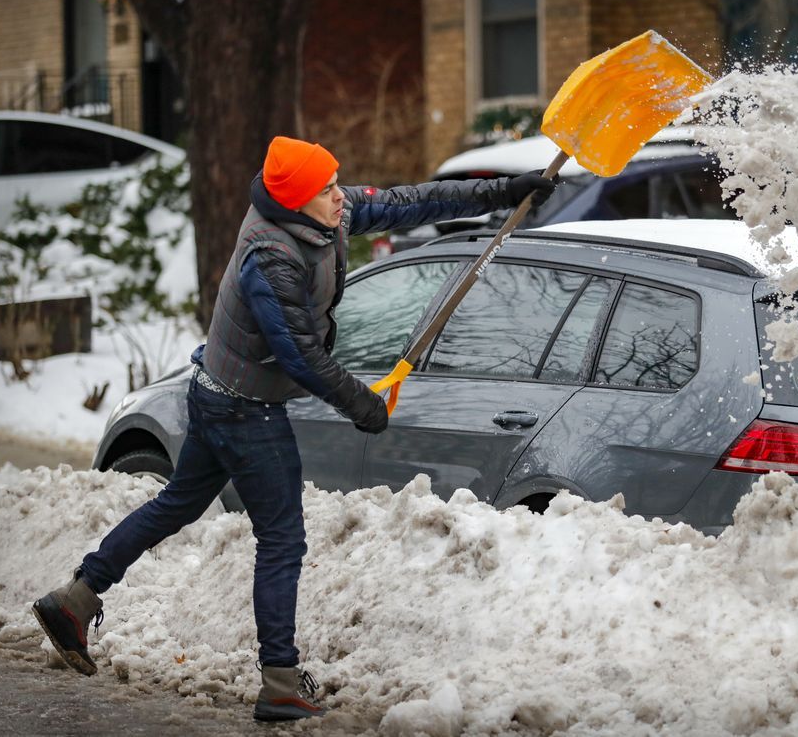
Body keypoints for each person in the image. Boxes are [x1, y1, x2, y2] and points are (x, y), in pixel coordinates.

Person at [31, 135, 557, 722]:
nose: (340, 196)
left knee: (178, 502)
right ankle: (280, 681)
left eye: (336, 183)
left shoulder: (322, 211)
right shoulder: (271, 258)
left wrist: (503, 192)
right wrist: (362, 405)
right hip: (243, 408)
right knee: (281, 538)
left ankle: (75, 599)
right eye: (327, 189)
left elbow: (407, 202)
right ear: (297, 200)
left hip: (219, 390)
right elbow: (300, 354)